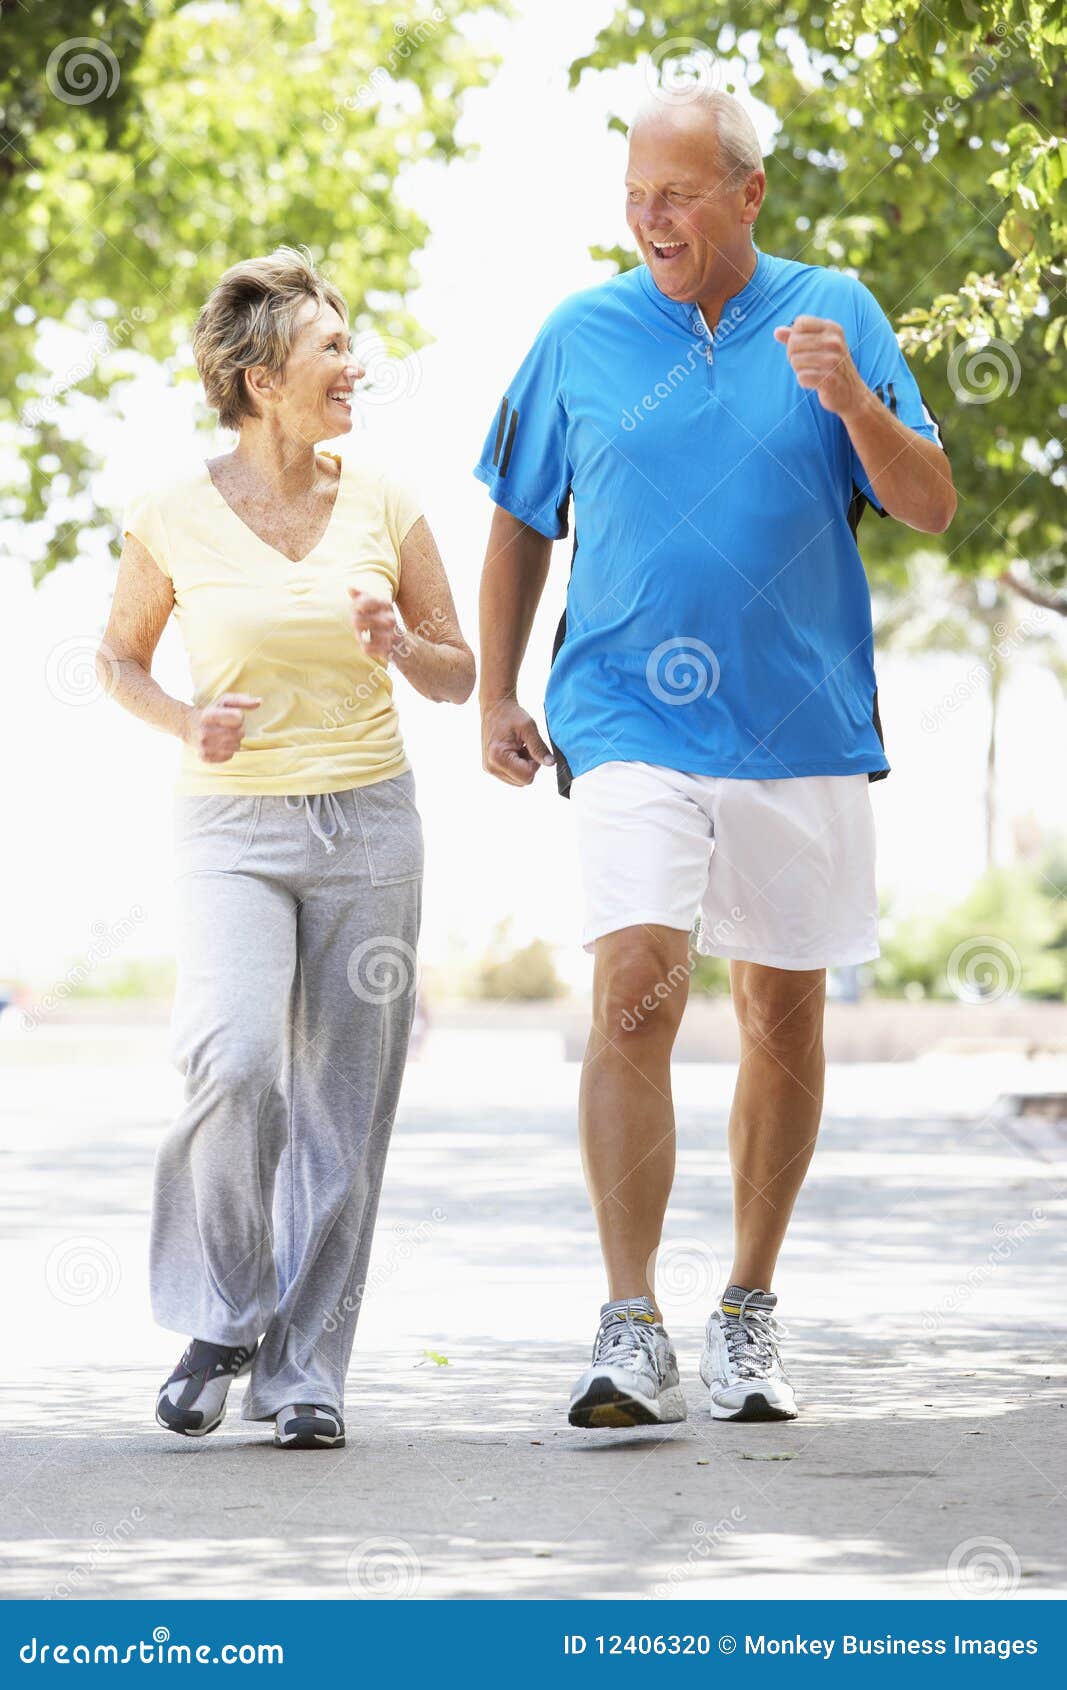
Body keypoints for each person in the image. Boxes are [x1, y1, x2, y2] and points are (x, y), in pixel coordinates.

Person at [475, 91, 955, 1427]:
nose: (651, 219)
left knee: (779, 1017)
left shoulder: (834, 311)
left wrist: (851, 401)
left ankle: (745, 1306)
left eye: (677, 194)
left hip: (797, 723)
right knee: (633, 982)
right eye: (635, 195)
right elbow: (517, 519)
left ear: (747, 195)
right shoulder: (578, 333)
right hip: (626, 714)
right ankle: (627, 1322)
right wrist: (495, 693)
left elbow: (927, 501)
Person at [100, 246, 474, 1450]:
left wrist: (398, 646)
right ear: (261, 380)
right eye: (331, 347)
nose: (353, 365)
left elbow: (457, 672)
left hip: (369, 824)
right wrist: (183, 720)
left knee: (342, 1113)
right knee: (236, 1060)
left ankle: (306, 1371)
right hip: (233, 824)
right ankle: (223, 1315)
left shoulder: (385, 500)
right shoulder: (173, 512)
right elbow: (117, 659)